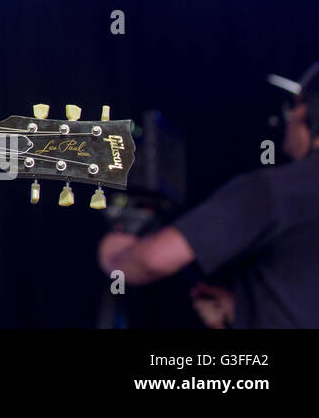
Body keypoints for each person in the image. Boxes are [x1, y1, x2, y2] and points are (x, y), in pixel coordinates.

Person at [97, 62, 319, 328]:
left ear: (308, 111)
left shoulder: (272, 190)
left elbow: (153, 261)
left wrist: (116, 256)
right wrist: (243, 311)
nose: (289, 118)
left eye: (294, 106)